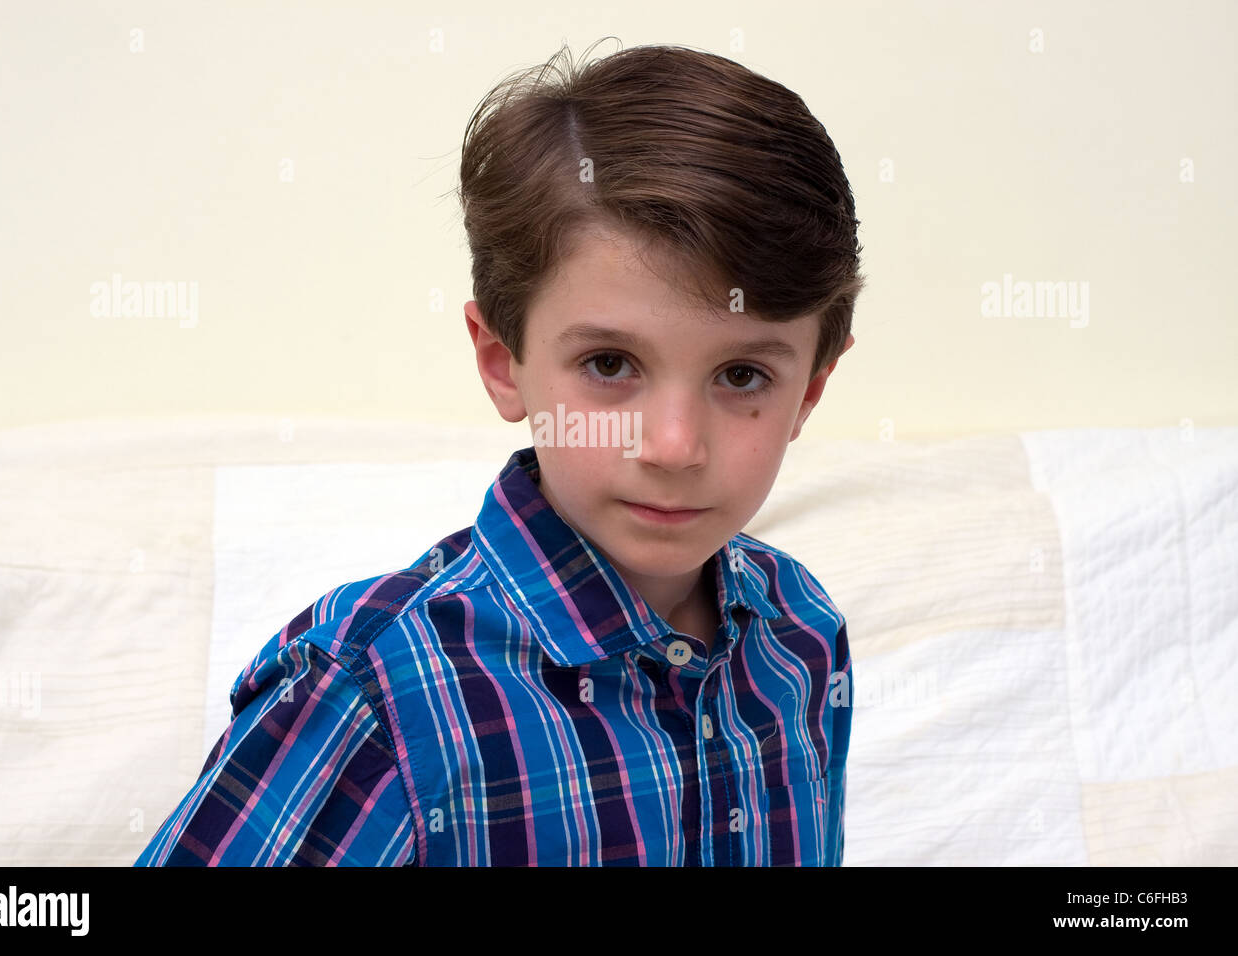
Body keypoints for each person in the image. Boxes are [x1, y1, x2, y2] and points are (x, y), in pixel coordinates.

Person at [135, 38, 863, 866]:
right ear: (501, 361)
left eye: (740, 375)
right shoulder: (373, 691)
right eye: (610, 365)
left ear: (809, 388)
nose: (673, 446)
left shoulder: (800, 632)